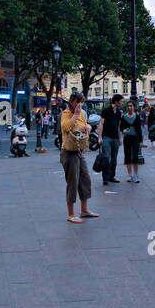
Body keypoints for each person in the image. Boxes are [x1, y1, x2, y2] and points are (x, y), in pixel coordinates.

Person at [59, 95, 97, 223]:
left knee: (85, 180)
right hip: (68, 152)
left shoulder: (82, 114)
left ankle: (84, 210)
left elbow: (84, 126)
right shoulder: (66, 113)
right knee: (72, 183)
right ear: (71, 101)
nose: (80, 104)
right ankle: (70, 214)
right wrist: (75, 114)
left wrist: (88, 128)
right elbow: (66, 127)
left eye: (82, 102)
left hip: (79, 151)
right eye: (78, 101)